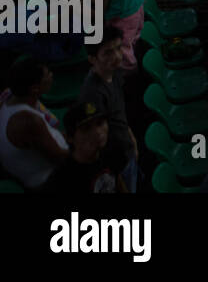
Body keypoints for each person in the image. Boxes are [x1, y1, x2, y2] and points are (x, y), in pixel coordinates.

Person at [77, 27, 139, 192]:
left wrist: (131, 139)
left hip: (126, 149)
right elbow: (98, 141)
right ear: (92, 58)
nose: (117, 56)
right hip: (116, 161)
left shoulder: (115, 72)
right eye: (108, 53)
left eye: (118, 48)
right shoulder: (93, 95)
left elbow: (119, 114)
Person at [0, 58, 68, 189]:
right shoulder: (29, 121)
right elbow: (60, 158)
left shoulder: (8, 96)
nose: (52, 75)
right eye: (48, 74)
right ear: (35, 89)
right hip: (46, 181)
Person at [39, 101, 125, 193]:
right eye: (86, 128)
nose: (97, 132)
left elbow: (119, 182)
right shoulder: (62, 180)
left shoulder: (112, 150)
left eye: (100, 123)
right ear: (70, 138)